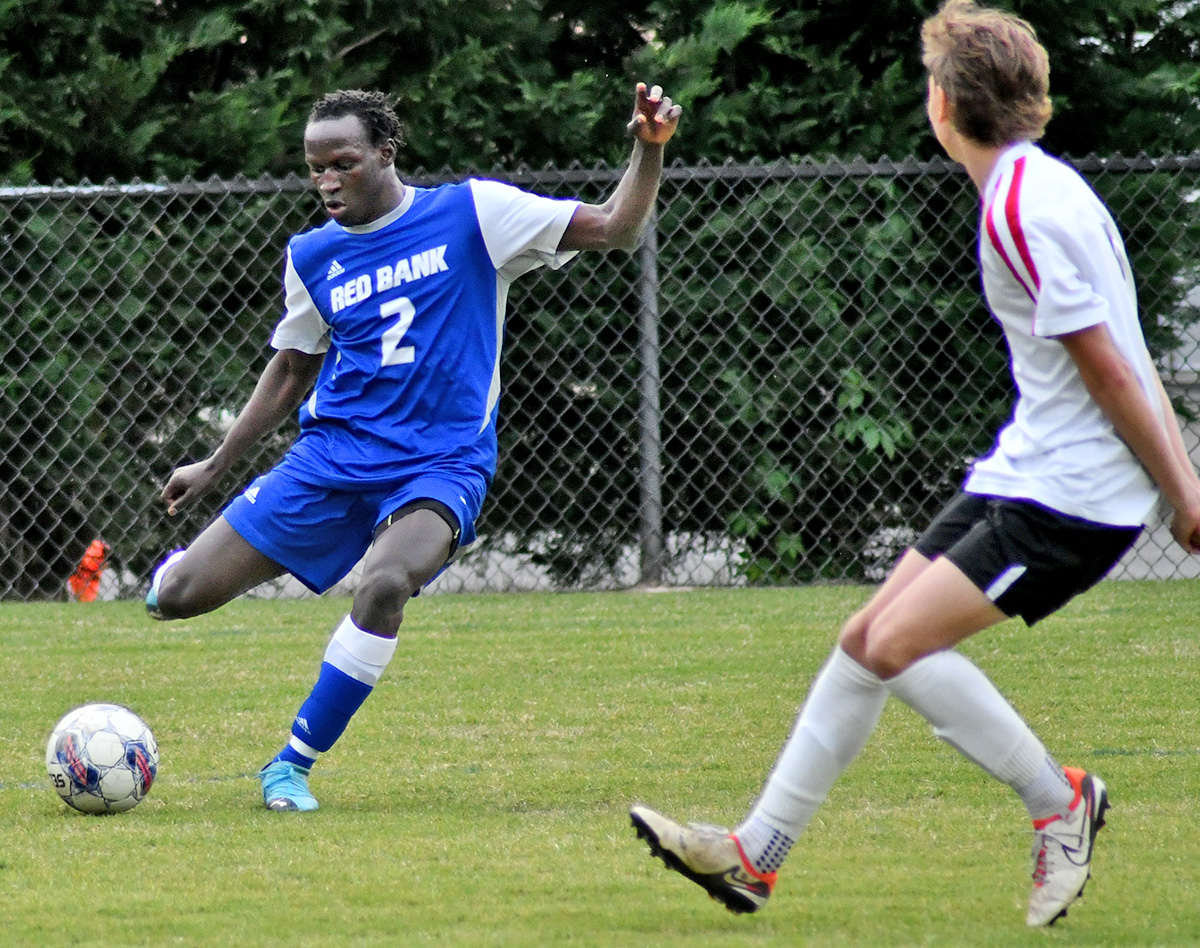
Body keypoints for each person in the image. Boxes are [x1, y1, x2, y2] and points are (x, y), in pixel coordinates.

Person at [630, 0, 1200, 929]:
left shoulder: (1023, 206)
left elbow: (1111, 367)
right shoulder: (1038, 186)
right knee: (865, 645)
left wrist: (1183, 493)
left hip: (1073, 500)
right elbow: (1127, 359)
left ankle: (1060, 804)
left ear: (944, 105)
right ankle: (753, 857)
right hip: (1024, 472)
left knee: (897, 648)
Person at [147, 82, 682, 812]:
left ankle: (289, 765)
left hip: (442, 463)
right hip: (332, 460)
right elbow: (290, 370)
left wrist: (646, 150)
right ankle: (182, 572)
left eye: (343, 162)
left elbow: (619, 227)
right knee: (175, 600)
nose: (328, 181)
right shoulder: (312, 256)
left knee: (384, 583)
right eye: (315, 168)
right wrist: (215, 465)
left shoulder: (473, 214)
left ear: (385, 153)